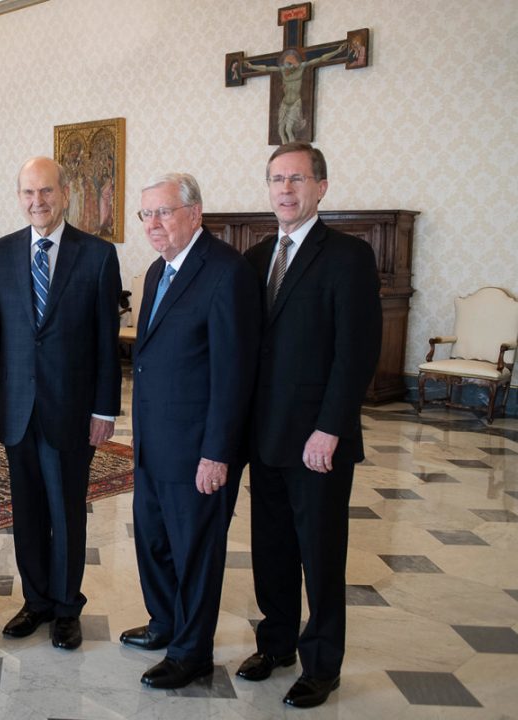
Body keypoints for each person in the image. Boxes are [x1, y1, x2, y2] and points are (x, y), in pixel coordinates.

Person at [236, 142, 381, 708]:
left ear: (321, 187)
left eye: (297, 179)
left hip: (319, 441)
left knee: (320, 553)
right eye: (276, 179)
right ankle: (276, 644)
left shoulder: (348, 256)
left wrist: (331, 429)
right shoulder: (253, 259)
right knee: (270, 548)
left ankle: (322, 663)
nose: (286, 190)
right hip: (265, 435)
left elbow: (356, 354)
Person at [119, 174, 260, 688]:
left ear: (194, 213)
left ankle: (192, 651)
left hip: (198, 449)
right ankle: (165, 623)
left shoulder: (227, 273)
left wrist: (217, 453)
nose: (153, 225)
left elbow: (234, 373)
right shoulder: (157, 271)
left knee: (196, 551)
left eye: (163, 213)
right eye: (146, 215)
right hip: (153, 442)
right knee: (154, 541)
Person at [0, 156, 121, 651]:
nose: (36, 202)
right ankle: (36, 600)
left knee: (66, 511)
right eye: (27, 193)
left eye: (45, 192)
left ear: (64, 193)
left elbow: (107, 341)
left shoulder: (98, 255)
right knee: (26, 510)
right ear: (18, 197)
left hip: (72, 408)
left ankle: (66, 607)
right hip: (17, 408)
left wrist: (104, 410)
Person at [243, 45, 347, 143]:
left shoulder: (301, 67)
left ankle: (292, 149)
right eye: (285, 63)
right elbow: (267, 68)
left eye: (289, 63)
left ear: (295, 62)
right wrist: (252, 66)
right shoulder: (283, 70)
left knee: (288, 129)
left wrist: (338, 51)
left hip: (295, 103)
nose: (287, 66)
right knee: (280, 131)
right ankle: (285, 151)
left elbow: (320, 59)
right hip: (285, 103)